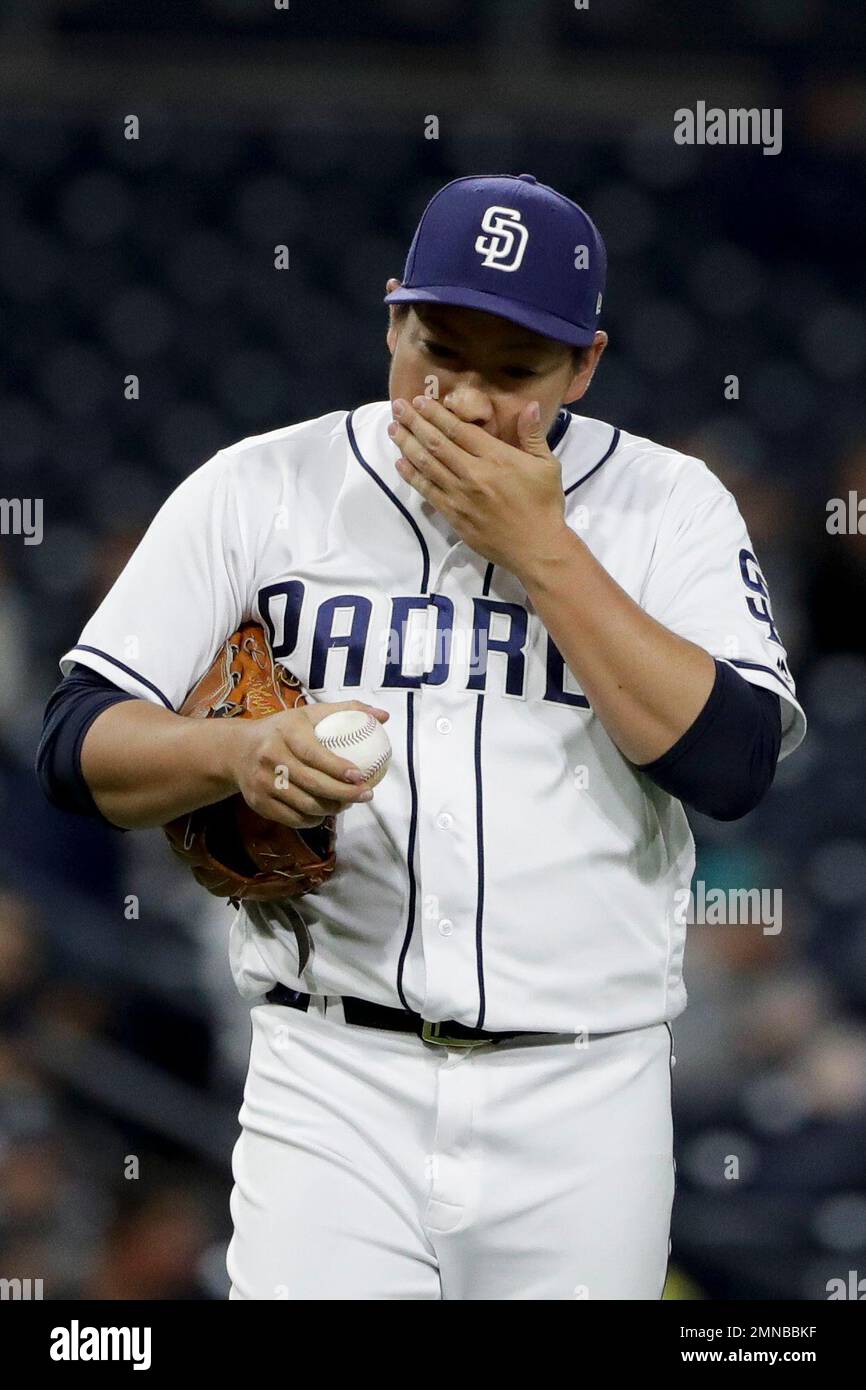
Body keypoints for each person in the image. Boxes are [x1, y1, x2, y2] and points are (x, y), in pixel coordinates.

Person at [37, 173, 806, 1300]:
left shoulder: (664, 504)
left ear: (583, 365)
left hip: (583, 1093)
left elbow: (731, 764)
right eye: (436, 350)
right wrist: (233, 754)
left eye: (514, 373)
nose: (462, 400)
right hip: (329, 1075)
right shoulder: (259, 488)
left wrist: (540, 546)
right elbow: (73, 742)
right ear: (392, 315)